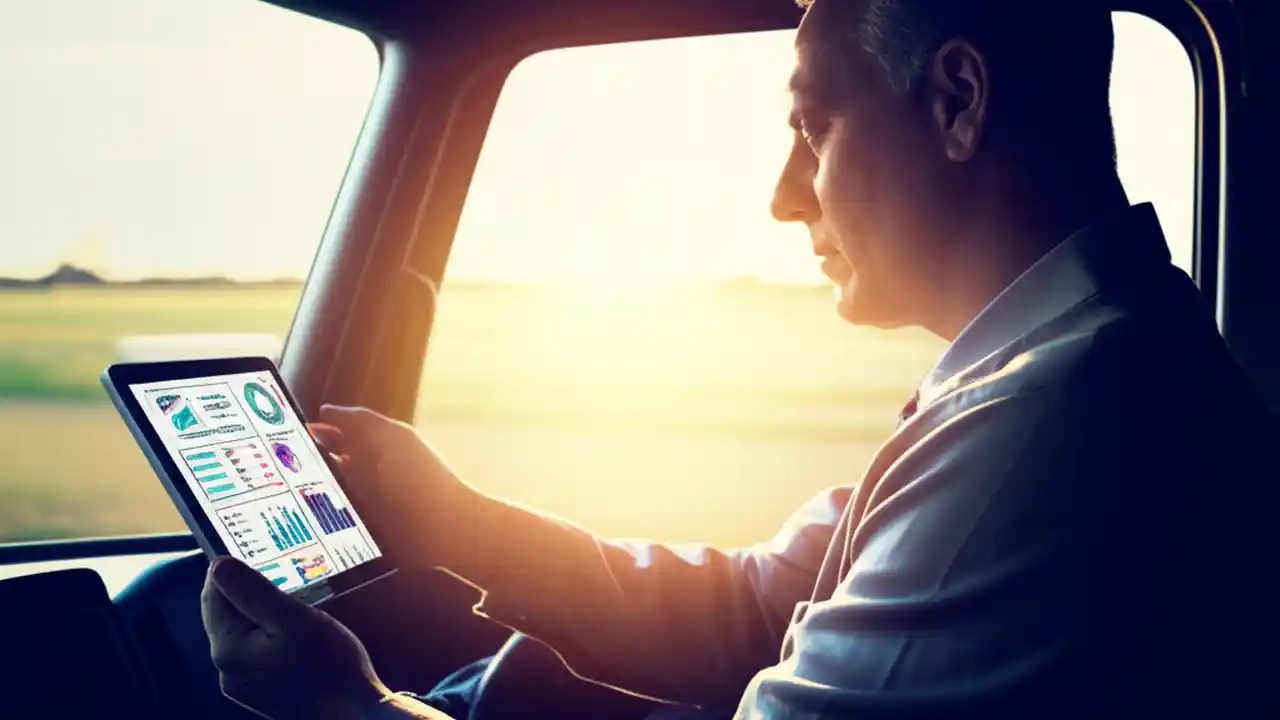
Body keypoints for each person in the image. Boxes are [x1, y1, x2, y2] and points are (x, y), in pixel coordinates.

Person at [201, 0, 1279, 718]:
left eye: (812, 130)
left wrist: (348, 710)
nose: (780, 195)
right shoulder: (1057, 369)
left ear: (955, 104)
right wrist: (459, 525)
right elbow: (762, 611)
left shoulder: (1056, 426)